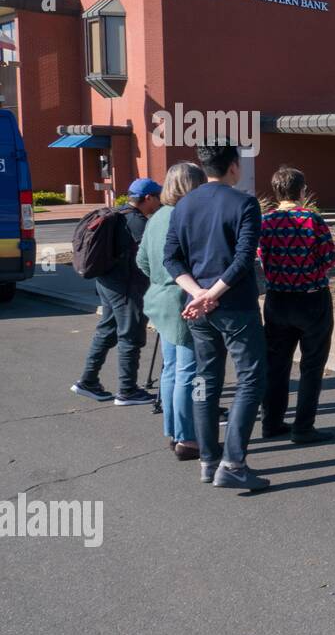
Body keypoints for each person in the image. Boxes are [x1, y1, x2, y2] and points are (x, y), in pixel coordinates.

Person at [163, 143, 268, 491]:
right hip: (233, 304)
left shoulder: (183, 206)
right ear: (234, 166)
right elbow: (242, 259)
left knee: (205, 380)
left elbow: (171, 258)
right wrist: (212, 292)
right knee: (251, 378)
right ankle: (233, 462)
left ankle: (209, 459)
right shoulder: (244, 203)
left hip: (199, 308)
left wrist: (197, 292)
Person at [258, 165, 335, 444]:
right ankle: (303, 426)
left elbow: (260, 255)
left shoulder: (265, 222)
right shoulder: (312, 220)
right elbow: (329, 258)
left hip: (277, 298)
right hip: (311, 297)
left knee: (277, 364)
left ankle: (272, 421)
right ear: (301, 190)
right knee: (312, 365)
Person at [71, 178, 163, 405]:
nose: (160, 202)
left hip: (107, 283)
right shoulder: (137, 222)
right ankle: (128, 390)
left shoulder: (117, 213)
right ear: (148, 198)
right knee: (130, 335)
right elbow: (151, 255)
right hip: (126, 286)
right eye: (158, 198)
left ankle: (88, 381)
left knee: (107, 329)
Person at [136, 163, 206, 460]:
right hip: (182, 298)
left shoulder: (156, 217)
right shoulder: (185, 216)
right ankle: (187, 438)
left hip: (158, 298)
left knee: (171, 368)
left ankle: (173, 432)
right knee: (187, 371)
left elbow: (141, 260)